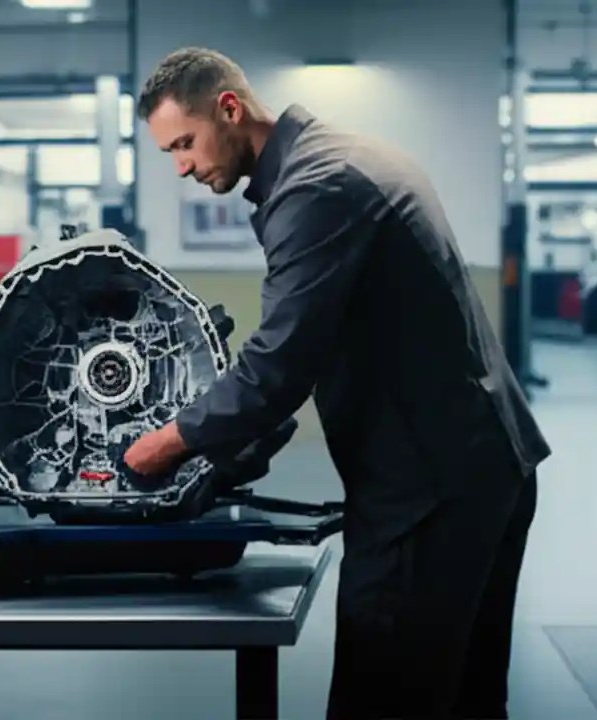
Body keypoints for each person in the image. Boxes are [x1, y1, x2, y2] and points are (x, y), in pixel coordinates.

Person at [123, 47, 551, 720]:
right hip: (481, 468)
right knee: (465, 701)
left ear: (229, 108)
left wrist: (168, 443)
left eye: (184, 142)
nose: (181, 165)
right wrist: (236, 440)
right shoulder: (339, 155)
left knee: (381, 700)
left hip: (429, 494)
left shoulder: (315, 188)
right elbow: (321, 342)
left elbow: (279, 363)